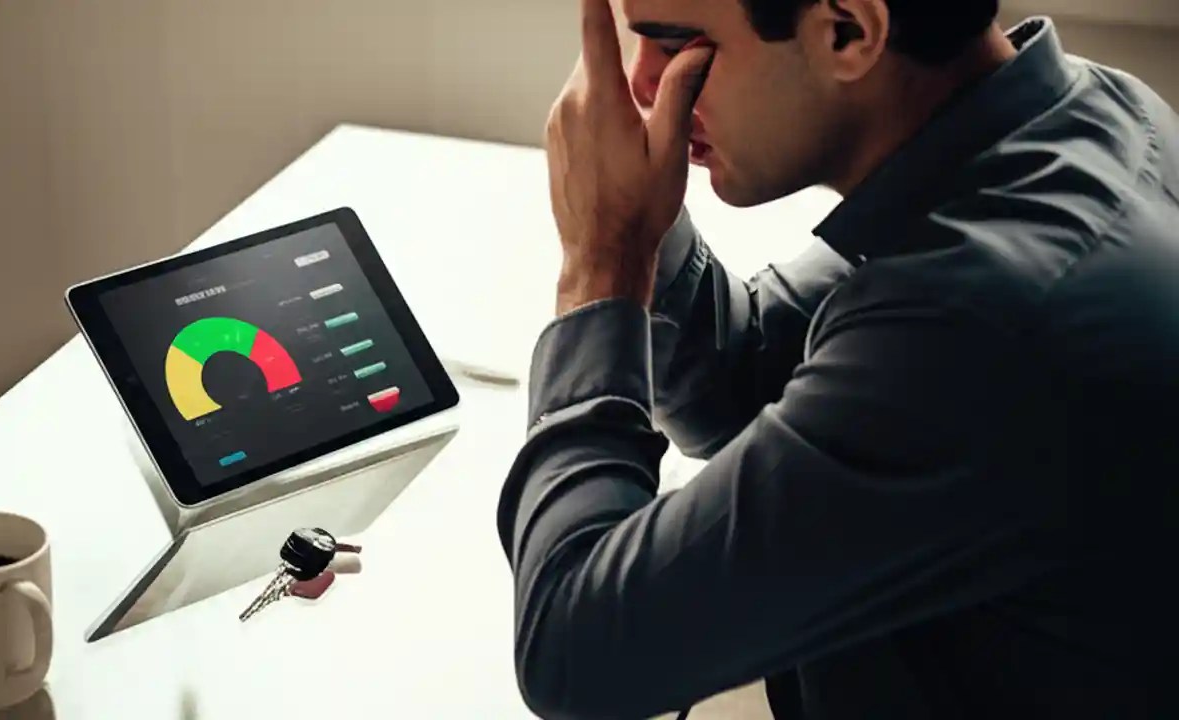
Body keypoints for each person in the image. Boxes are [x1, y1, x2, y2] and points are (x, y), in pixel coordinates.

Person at [495, 0, 1179, 717]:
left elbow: (577, 656)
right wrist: (636, 222)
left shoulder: (973, 324)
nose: (642, 83)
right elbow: (739, 380)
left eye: (677, 43)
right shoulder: (1094, 112)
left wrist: (600, 264)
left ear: (848, 29)